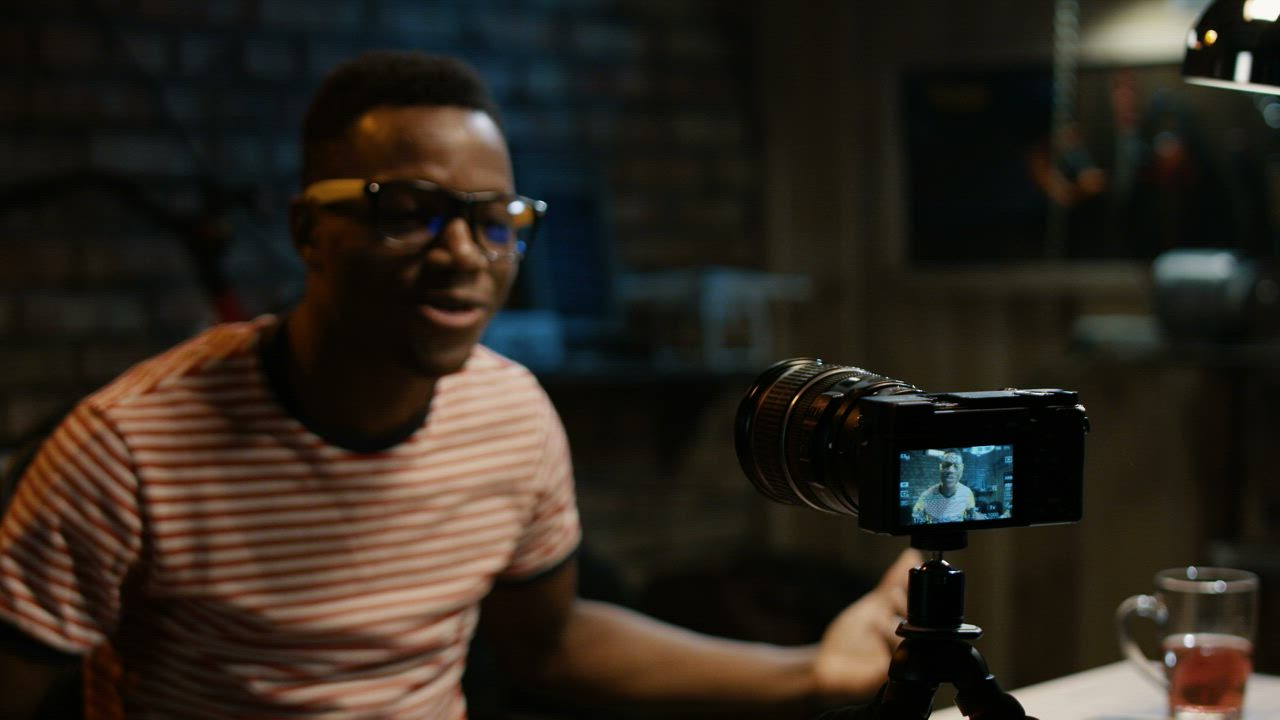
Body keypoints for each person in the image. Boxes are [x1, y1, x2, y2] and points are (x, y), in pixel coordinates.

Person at [0, 50, 917, 719]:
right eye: (407, 213)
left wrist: (814, 672)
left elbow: (551, 646)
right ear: (308, 230)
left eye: (495, 219)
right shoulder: (126, 447)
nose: (462, 257)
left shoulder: (509, 411)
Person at [911, 451, 978, 525]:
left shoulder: (967, 493)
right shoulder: (926, 495)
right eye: (946, 465)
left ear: (961, 469)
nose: (950, 470)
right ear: (940, 468)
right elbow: (915, 518)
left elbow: (971, 514)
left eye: (956, 466)